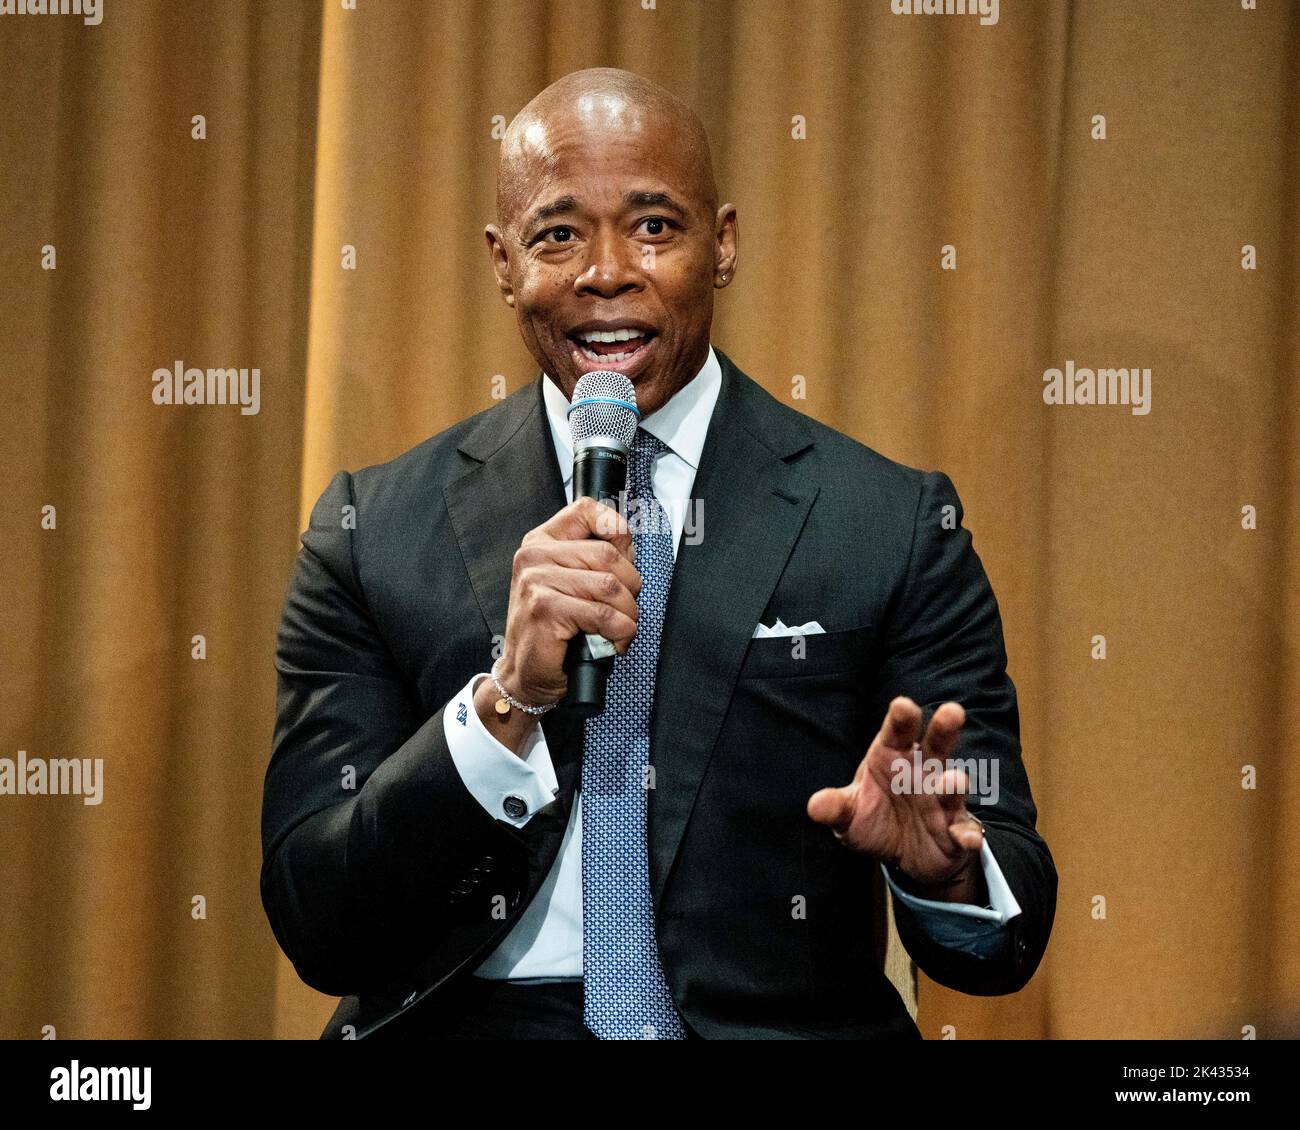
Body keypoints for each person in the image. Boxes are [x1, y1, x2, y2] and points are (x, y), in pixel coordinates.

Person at [260, 67, 1057, 1041]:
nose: (606, 271)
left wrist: (946, 869)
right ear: (503, 261)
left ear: (720, 244)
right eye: (556, 234)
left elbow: (1001, 920)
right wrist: (503, 702)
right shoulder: (371, 528)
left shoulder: (887, 522)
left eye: (652, 227)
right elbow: (318, 919)